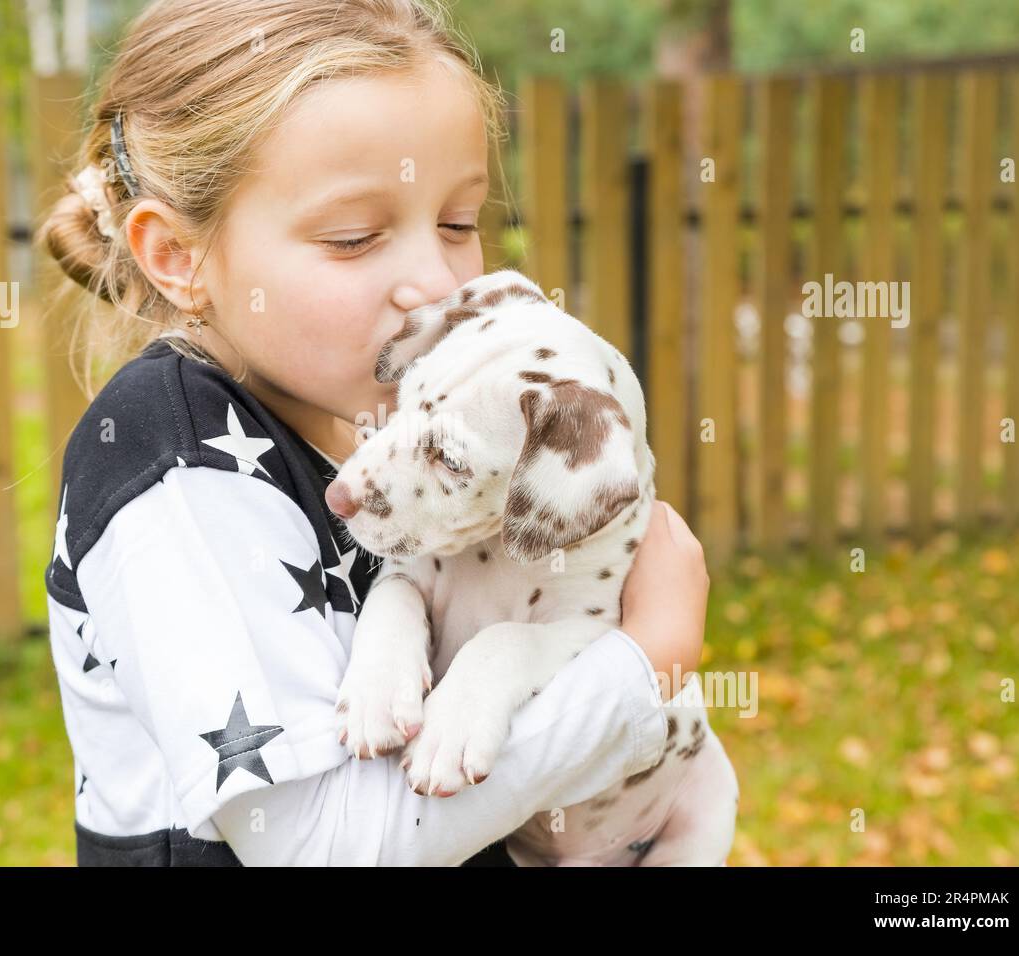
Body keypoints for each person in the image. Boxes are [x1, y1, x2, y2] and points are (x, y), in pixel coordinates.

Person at [39, 0, 710, 866]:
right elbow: (322, 845)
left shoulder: (379, 421)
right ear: (178, 256)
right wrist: (636, 670)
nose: (433, 281)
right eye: (354, 238)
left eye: (459, 223)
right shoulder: (175, 464)